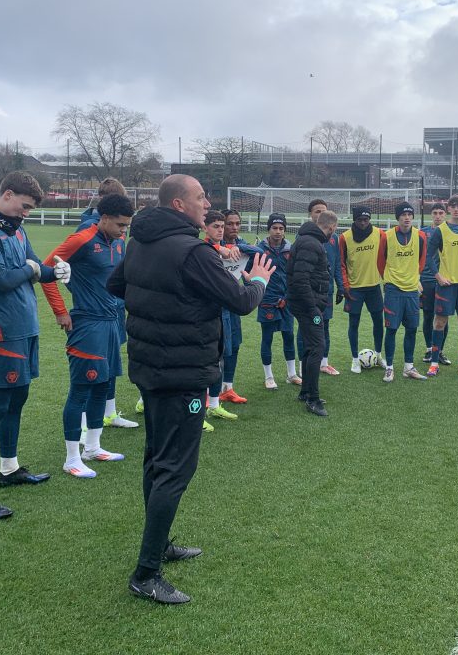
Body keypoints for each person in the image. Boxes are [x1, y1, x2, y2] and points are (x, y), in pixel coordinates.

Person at [107, 174, 275, 604]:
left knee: (156, 459)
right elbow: (241, 301)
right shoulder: (192, 251)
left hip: (150, 368)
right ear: (179, 204)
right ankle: (146, 573)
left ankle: (159, 544)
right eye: (200, 197)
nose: (207, 203)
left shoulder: (139, 241)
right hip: (182, 374)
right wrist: (258, 280)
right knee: (174, 468)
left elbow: (116, 285)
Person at [0, 172, 71, 519]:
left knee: (16, 401)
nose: (25, 214)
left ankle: (9, 469)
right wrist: (31, 269)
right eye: (24, 206)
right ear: (7, 194)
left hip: (26, 329)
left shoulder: (15, 228)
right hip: (2, 333)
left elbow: (36, 267)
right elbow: (1, 280)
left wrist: (57, 272)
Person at [41, 194, 134, 479]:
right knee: (81, 389)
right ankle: (71, 458)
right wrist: (60, 311)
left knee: (103, 385)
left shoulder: (118, 242)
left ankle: (92, 448)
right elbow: (46, 271)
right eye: (120, 225)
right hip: (87, 325)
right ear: (103, 218)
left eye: (127, 225)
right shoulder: (81, 239)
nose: (124, 230)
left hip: (111, 323)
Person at [78, 177, 137, 428]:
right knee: (92, 366)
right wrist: (85, 293)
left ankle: (109, 413)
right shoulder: (86, 231)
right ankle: (82, 422)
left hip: (115, 308)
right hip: (93, 312)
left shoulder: (119, 233)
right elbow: (62, 268)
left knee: (112, 362)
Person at [287, 210, 339, 416]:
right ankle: (313, 399)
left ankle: (306, 391)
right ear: (331, 227)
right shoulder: (311, 243)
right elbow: (301, 279)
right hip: (307, 306)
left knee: (311, 347)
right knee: (318, 347)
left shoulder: (308, 240)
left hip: (305, 304)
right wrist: (313, 308)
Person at [425, 193, 458, 377]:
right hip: (446, 285)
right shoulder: (440, 230)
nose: (456, 209)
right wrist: (438, 276)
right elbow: (428, 256)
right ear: (448, 209)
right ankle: (434, 363)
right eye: (453, 206)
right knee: (440, 322)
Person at [377, 202, 429, 382]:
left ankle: (408, 367)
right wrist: (389, 279)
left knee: (412, 329)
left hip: (412, 290)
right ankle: (389, 368)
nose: (407, 218)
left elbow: (422, 261)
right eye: (403, 215)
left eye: (409, 215)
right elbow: (380, 261)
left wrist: (413, 278)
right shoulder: (387, 236)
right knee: (391, 329)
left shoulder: (421, 236)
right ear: (397, 218)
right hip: (393, 289)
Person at [251, 214, 300, 389]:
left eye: (281, 228)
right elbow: (250, 274)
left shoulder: (291, 249)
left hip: (286, 300)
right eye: (274, 228)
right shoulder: (259, 249)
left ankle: (292, 374)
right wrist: (258, 292)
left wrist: (287, 296)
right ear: (269, 229)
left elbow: (294, 275)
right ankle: (269, 377)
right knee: (267, 338)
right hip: (267, 301)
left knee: (289, 336)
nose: (278, 232)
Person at [296, 199, 345, 376]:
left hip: (327, 291)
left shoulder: (334, 238)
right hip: (310, 292)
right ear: (310, 214)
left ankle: (323, 363)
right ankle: (303, 365)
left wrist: (340, 286)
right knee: (305, 328)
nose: (320, 214)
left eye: (323, 211)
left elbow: (337, 263)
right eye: (317, 211)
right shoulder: (303, 237)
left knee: (325, 326)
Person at [202, 210, 240, 428]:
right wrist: (220, 249)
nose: (220, 230)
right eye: (215, 226)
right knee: (205, 360)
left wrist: (230, 249)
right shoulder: (202, 248)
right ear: (205, 228)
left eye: (221, 226)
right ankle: (201, 406)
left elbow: (252, 251)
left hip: (223, 309)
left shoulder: (228, 248)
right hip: (206, 312)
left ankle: (214, 404)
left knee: (220, 356)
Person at [216, 209, 256, 405]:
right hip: (215, 305)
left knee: (234, 345)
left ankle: (227, 388)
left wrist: (241, 247)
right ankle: (211, 393)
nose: (234, 227)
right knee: (217, 348)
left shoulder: (241, 245)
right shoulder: (213, 246)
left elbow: (258, 254)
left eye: (237, 223)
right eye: (229, 224)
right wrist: (222, 249)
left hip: (233, 303)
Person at [339, 207, 386, 373]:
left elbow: (387, 257)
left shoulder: (380, 234)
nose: (363, 223)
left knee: (378, 322)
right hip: (354, 289)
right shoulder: (345, 237)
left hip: (374, 287)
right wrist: (345, 286)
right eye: (360, 220)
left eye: (366, 219)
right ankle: (355, 360)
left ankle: (378, 355)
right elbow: (341, 264)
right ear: (354, 220)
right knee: (354, 323)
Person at [419, 203, 451, 365]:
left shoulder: (450, 232)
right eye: (435, 213)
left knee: (443, 316)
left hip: (446, 280)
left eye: (441, 213)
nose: (438, 216)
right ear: (431, 215)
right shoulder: (422, 233)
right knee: (428, 315)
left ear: (445, 215)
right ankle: (429, 349)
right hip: (427, 280)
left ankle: (440, 351)